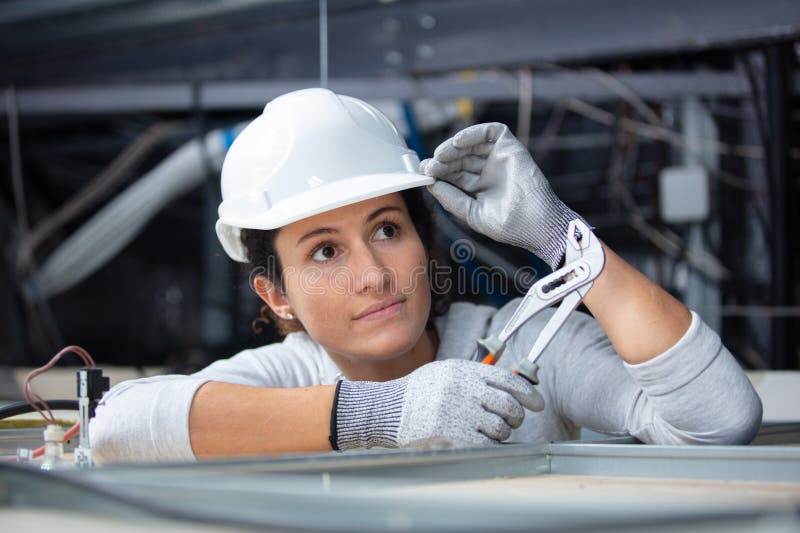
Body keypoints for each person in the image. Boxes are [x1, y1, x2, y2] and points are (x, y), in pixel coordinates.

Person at [90, 88, 762, 462]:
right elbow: (116, 426)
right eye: (325, 251)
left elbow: (720, 423)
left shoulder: (524, 343)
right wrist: (384, 414)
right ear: (276, 294)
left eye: (387, 229)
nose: (376, 275)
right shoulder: (287, 376)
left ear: (423, 240)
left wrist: (564, 238)